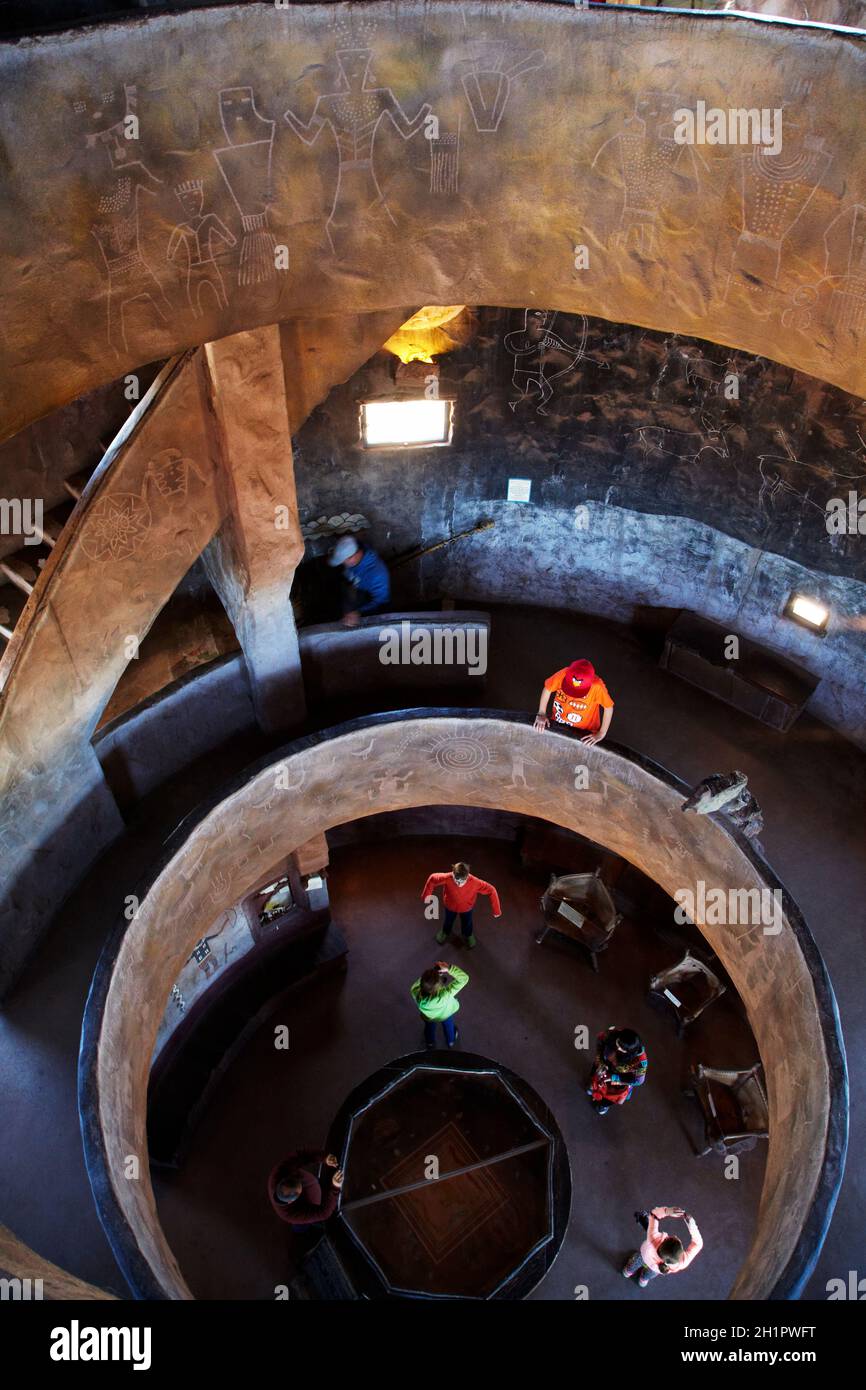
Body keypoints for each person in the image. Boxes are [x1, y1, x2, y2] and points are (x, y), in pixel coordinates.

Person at [422, 861, 502, 949]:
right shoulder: (447, 877)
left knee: (467, 922)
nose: (459, 884)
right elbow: (432, 878)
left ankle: (468, 934)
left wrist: (496, 910)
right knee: (448, 920)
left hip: (467, 908)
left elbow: (491, 890)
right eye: (456, 880)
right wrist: (427, 895)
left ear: (467, 876)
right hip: (450, 907)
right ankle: (445, 931)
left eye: (462, 881)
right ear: (453, 873)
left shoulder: (475, 882)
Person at [533, 659, 614, 744]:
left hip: (585, 733)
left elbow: (608, 707)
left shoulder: (597, 686)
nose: (572, 695)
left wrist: (602, 732)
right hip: (558, 723)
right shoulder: (563, 674)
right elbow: (548, 688)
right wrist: (541, 713)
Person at [623, 1207, 703, 1287]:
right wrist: (692, 1225)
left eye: (672, 1238)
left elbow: (654, 1215)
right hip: (657, 1269)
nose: (675, 1235)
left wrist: (668, 1211)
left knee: (637, 1261)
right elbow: (698, 1243)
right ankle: (643, 1280)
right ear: (681, 1253)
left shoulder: (653, 1239)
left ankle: (627, 1272)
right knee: (651, 1273)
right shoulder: (682, 1263)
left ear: (664, 1241)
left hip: (644, 1256)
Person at [268, 1148, 344, 1226]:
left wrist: (324, 1158)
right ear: (292, 1201)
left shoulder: (280, 1171)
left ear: (284, 1179)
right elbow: (324, 1213)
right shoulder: (292, 1215)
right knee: (310, 1224)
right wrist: (335, 1187)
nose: (302, 1182)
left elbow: (301, 1155)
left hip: (313, 1186)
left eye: (297, 1179)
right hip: (312, 1204)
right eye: (301, 1188)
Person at [327, 535, 391, 627]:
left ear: (353, 556)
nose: (343, 564)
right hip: (357, 593)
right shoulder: (355, 554)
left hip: (374, 608)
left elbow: (381, 601)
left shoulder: (377, 574)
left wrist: (358, 612)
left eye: (344, 561)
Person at [586, 1026, 648, 1115]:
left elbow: (638, 1081)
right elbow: (600, 1040)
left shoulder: (641, 1061)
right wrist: (600, 1059)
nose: (617, 1049)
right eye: (617, 1044)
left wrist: (613, 1078)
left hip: (620, 1078)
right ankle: (592, 1086)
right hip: (604, 1064)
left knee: (610, 1096)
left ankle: (604, 1104)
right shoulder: (611, 1034)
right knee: (595, 1077)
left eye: (622, 1049)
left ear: (630, 1052)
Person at [411, 960, 468, 1049]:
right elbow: (464, 978)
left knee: (429, 1028)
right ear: (439, 988)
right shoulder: (445, 994)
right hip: (446, 1014)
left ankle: (430, 1042)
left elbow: (418, 984)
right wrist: (449, 968)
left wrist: (430, 979)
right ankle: (451, 1041)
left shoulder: (415, 991)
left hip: (429, 1017)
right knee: (449, 1026)